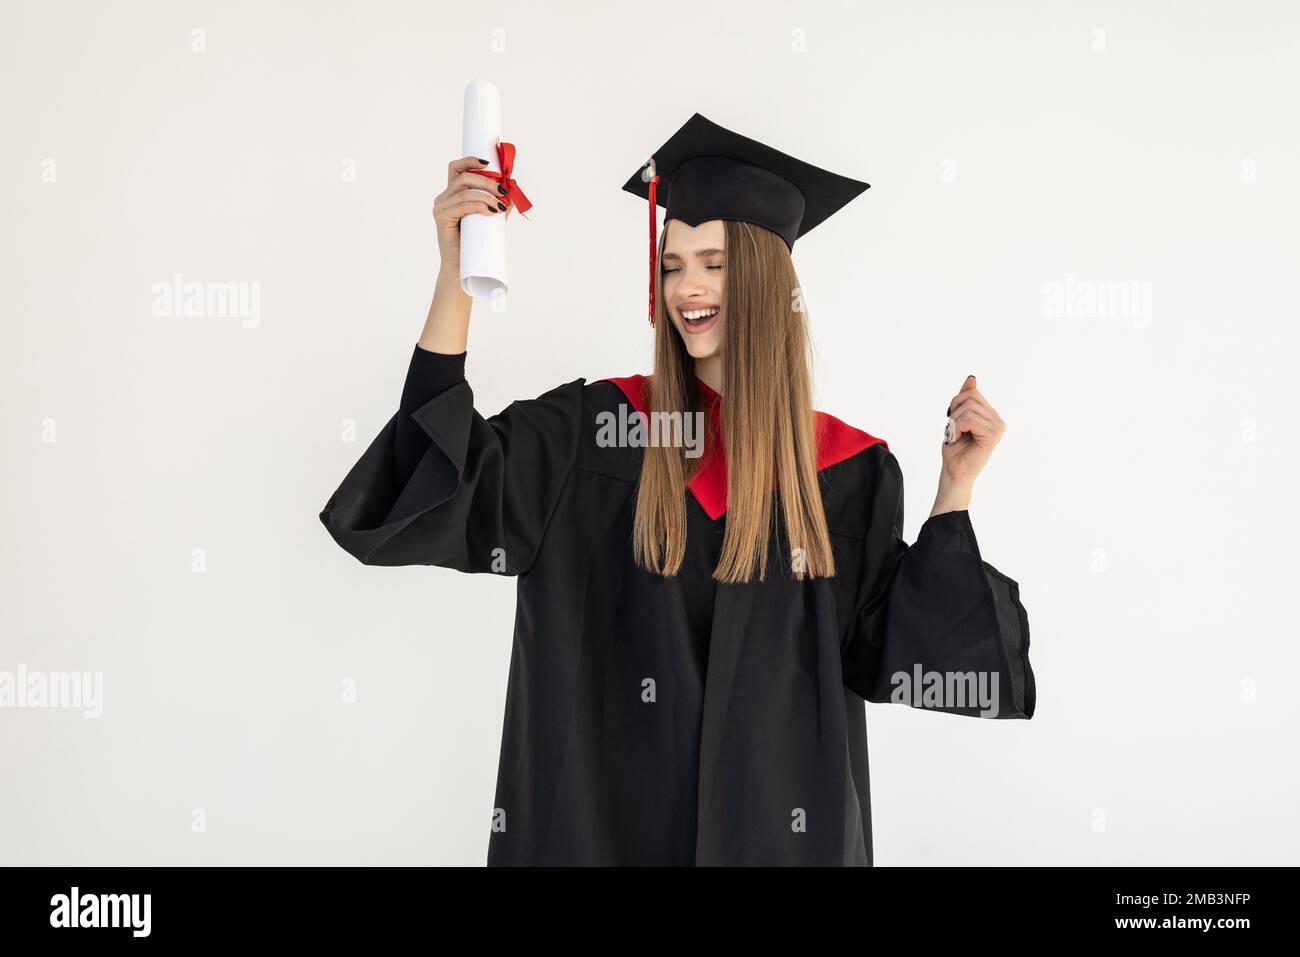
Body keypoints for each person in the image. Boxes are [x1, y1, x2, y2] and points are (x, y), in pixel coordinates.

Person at [319, 113, 1036, 866]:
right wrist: (455, 278)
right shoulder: (594, 435)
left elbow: (896, 655)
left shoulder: (846, 472)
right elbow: (435, 488)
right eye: (671, 264)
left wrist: (953, 490)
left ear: (765, 279)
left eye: (714, 263)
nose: (686, 286)